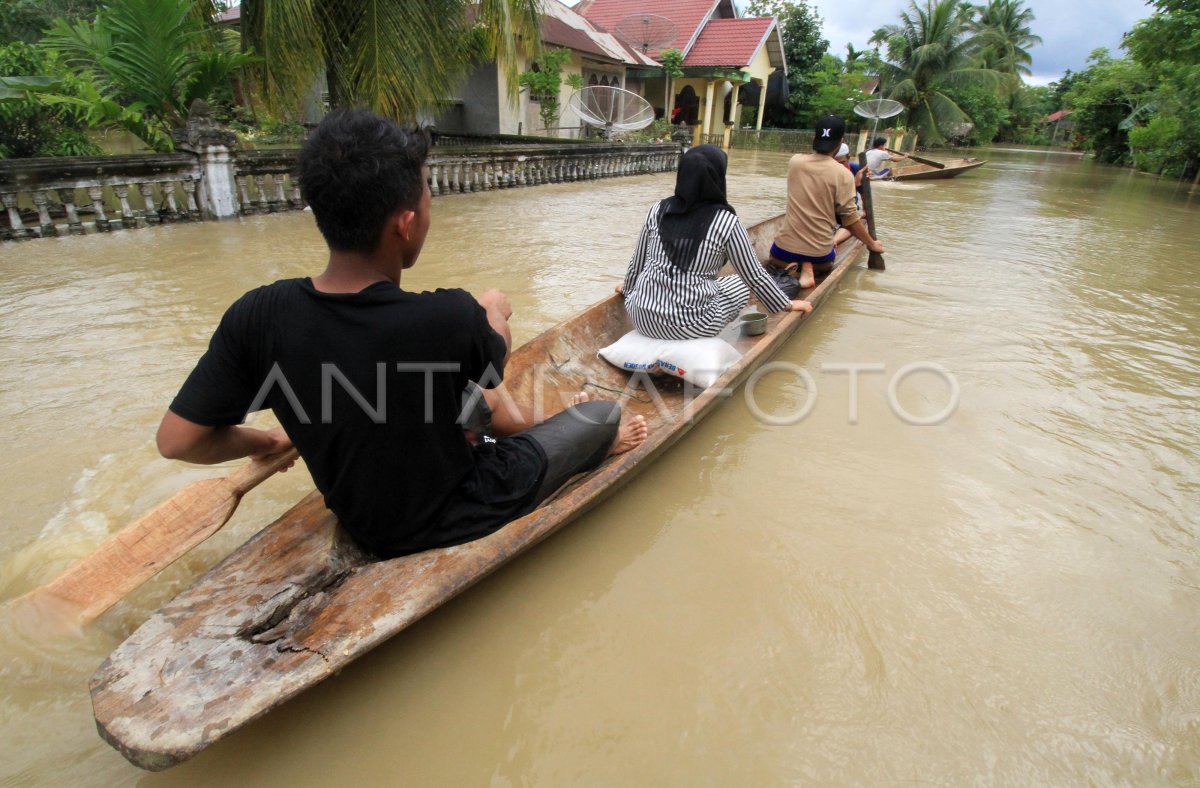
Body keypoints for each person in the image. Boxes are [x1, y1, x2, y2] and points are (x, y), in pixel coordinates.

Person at [155, 108, 647, 558]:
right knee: (600, 415)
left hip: (364, 523)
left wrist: (262, 440)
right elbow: (496, 349)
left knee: (465, 396)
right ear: (406, 224)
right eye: (429, 197)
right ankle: (583, 442)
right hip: (460, 511)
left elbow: (178, 441)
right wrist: (493, 307)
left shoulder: (257, 313)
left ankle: (524, 427)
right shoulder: (449, 319)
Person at [620, 144, 812, 340]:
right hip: (693, 326)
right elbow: (753, 276)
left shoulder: (657, 210)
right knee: (739, 283)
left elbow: (638, 262)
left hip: (642, 318)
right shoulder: (726, 222)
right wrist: (787, 305)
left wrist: (627, 288)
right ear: (718, 177)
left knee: (715, 283)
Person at [769, 115, 884, 290]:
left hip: (781, 254)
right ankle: (807, 266)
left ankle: (799, 265)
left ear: (814, 139)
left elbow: (819, 187)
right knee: (824, 252)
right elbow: (850, 220)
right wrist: (871, 244)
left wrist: (856, 182)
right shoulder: (843, 174)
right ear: (840, 142)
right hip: (820, 258)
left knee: (782, 252)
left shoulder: (795, 162)